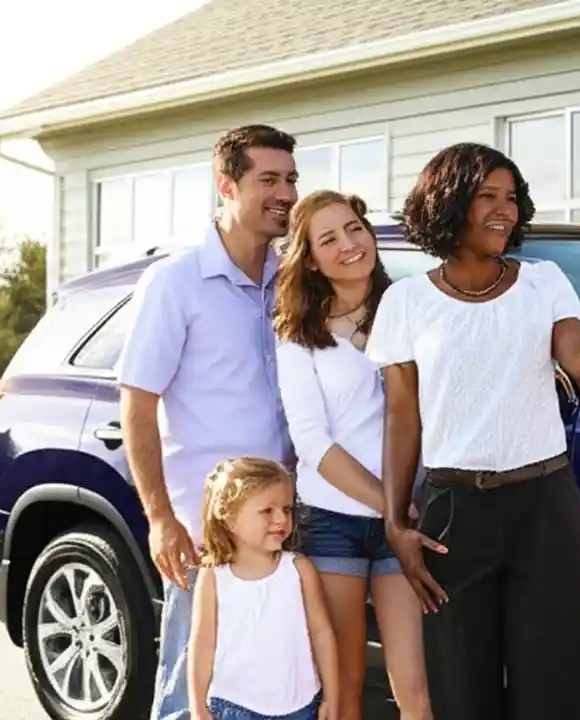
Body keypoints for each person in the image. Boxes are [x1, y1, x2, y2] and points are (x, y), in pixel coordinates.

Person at [365, 142, 580, 720]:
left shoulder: (544, 282)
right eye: (486, 197)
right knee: (461, 693)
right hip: (453, 513)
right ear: (448, 203)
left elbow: (577, 366)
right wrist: (397, 523)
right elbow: (404, 421)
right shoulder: (405, 302)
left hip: (544, 509)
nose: (504, 210)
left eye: (511, 198)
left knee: (552, 690)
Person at [115, 124, 299, 719]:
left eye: (291, 179)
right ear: (226, 185)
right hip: (208, 528)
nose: (286, 193)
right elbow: (137, 403)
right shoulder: (175, 283)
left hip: (284, 521)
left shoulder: (292, 283)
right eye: (268, 179)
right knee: (192, 682)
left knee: (273, 681)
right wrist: (162, 519)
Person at [273, 189, 433, 720]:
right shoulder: (298, 335)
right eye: (328, 239)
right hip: (333, 521)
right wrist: (390, 503)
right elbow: (313, 443)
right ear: (310, 259)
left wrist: (401, 509)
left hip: (406, 523)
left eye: (354, 229)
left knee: (415, 687)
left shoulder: (409, 308)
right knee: (340, 692)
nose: (348, 244)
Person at [187, 456, 339, 720]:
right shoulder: (213, 577)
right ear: (229, 516)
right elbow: (202, 645)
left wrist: (332, 697)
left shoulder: (299, 569)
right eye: (267, 510)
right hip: (235, 707)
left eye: (287, 509)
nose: (281, 518)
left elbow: (322, 634)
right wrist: (198, 707)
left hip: (300, 707)